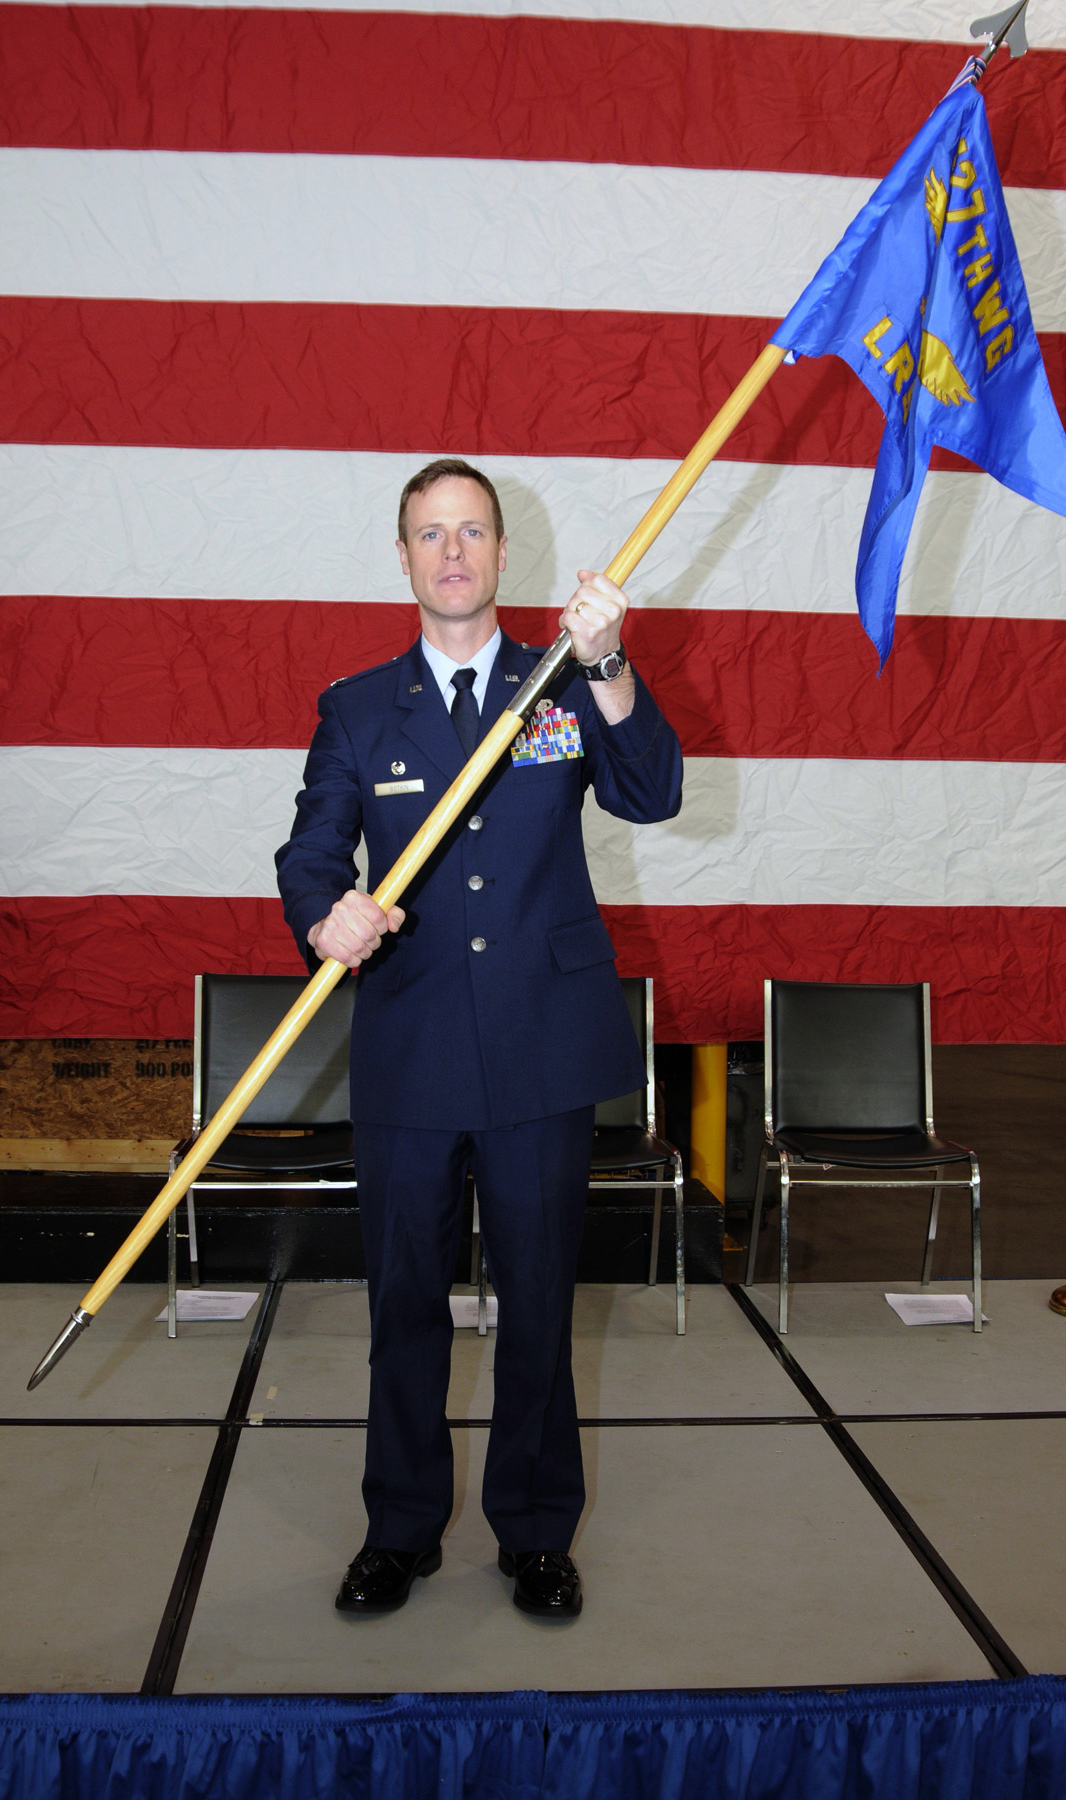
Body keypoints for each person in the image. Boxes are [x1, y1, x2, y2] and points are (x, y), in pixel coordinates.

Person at [276, 458, 682, 1619]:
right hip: (410, 1050)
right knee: (405, 1304)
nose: (452, 552)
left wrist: (607, 663)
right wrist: (324, 910)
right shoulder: (360, 708)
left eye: (472, 532)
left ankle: (537, 1532)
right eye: (429, 533)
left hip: (542, 1045)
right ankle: (399, 1528)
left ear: (505, 554)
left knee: (540, 1302)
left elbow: (652, 792)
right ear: (402, 558)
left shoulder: (562, 682)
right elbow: (313, 845)